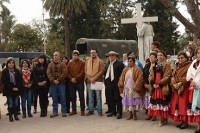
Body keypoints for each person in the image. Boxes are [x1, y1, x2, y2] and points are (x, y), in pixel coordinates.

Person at [148, 50, 172, 127]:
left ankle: (162, 119)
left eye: (161, 55)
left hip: (163, 87)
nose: (159, 57)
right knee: (158, 104)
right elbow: (151, 75)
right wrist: (152, 83)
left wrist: (160, 84)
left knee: (163, 104)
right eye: (158, 55)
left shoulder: (167, 64)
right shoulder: (155, 65)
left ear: (164, 56)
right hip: (156, 87)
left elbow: (167, 76)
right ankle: (163, 118)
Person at [170, 51, 191, 129]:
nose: (180, 59)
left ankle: (185, 122)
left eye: (182, 58)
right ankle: (181, 121)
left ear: (186, 58)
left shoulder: (189, 65)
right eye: (179, 58)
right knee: (178, 105)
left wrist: (180, 83)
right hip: (176, 88)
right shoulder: (176, 65)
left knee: (183, 105)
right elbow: (173, 75)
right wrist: (174, 83)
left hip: (184, 88)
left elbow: (188, 76)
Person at [104, 51, 124, 119]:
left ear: (116, 56)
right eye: (110, 56)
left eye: (113, 55)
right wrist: (105, 83)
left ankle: (119, 112)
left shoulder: (120, 64)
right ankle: (113, 111)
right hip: (109, 85)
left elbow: (123, 74)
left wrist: (121, 83)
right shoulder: (107, 64)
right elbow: (105, 74)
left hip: (116, 84)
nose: (111, 57)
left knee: (118, 99)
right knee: (110, 98)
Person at [47, 52, 67, 118]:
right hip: (53, 84)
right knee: (54, 98)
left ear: (59, 56)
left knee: (62, 98)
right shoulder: (50, 64)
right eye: (54, 55)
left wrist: (58, 80)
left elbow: (64, 73)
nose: (54, 56)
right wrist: (53, 80)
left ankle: (63, 111)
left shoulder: (63, 64)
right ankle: (55, 112)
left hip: (61, 83)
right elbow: (48, 73)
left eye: (56, 55)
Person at [2, 58, 22, 122]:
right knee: (10, 103)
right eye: (10, 63)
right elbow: (4, 81)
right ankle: (10, 116)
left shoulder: (17, 71)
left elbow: (20, 80)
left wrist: (17, 87)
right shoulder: (5, 71)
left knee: (16, 103)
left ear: (14, 64)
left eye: (12, 63)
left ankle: (16, 115)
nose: (11, 64)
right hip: (9, 90)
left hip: (16, 89)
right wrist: (12, 88)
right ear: (7, 64)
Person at [85, 49, 104, 116]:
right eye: (91, 53)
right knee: (90, 97)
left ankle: (99, 110)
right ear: (90, 54)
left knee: (98, 97)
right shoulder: (87, 61)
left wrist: (94, 78)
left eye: (94, 52)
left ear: (96, 53)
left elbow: (101, 71)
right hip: (89, 81)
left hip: (97, 81)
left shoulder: (100, 61)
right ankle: (91, 110)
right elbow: (85, 71)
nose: (93, 54)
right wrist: (90, 79)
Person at [67, 50, 85, 116]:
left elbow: (83, 72)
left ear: (78, 56)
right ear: (72, 56)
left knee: (81, 96)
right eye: (74, 55)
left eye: (76, 55)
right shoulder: (70, 63)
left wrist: (75, 78)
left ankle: (82, 110)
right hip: (71, 82)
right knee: (73, 97)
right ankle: (74, 110)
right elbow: (67, 72)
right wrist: (71, 78)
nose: (75, 56)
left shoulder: (82, 63)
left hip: (79, 82)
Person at [186, 47, 200, 133]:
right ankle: (199, 126)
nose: (199, 55)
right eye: (198, 53)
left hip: (198, 86)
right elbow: (189, 73)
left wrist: (197, 83)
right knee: (197, 108)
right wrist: (192, 81)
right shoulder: (194, 63)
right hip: (195, 88)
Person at [143, 52, 157, 120]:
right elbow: (144, 75)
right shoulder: (147, 65)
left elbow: (158, 76)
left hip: (154, 86)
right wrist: (145, 84)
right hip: (147, 86)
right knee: (148, 101)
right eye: (150, 57)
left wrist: (152, 84)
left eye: (152, 57)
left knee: (153, 101)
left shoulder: (158, 65)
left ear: (156, 58)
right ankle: (149, 114)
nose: (151, 58)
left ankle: (154, 115)